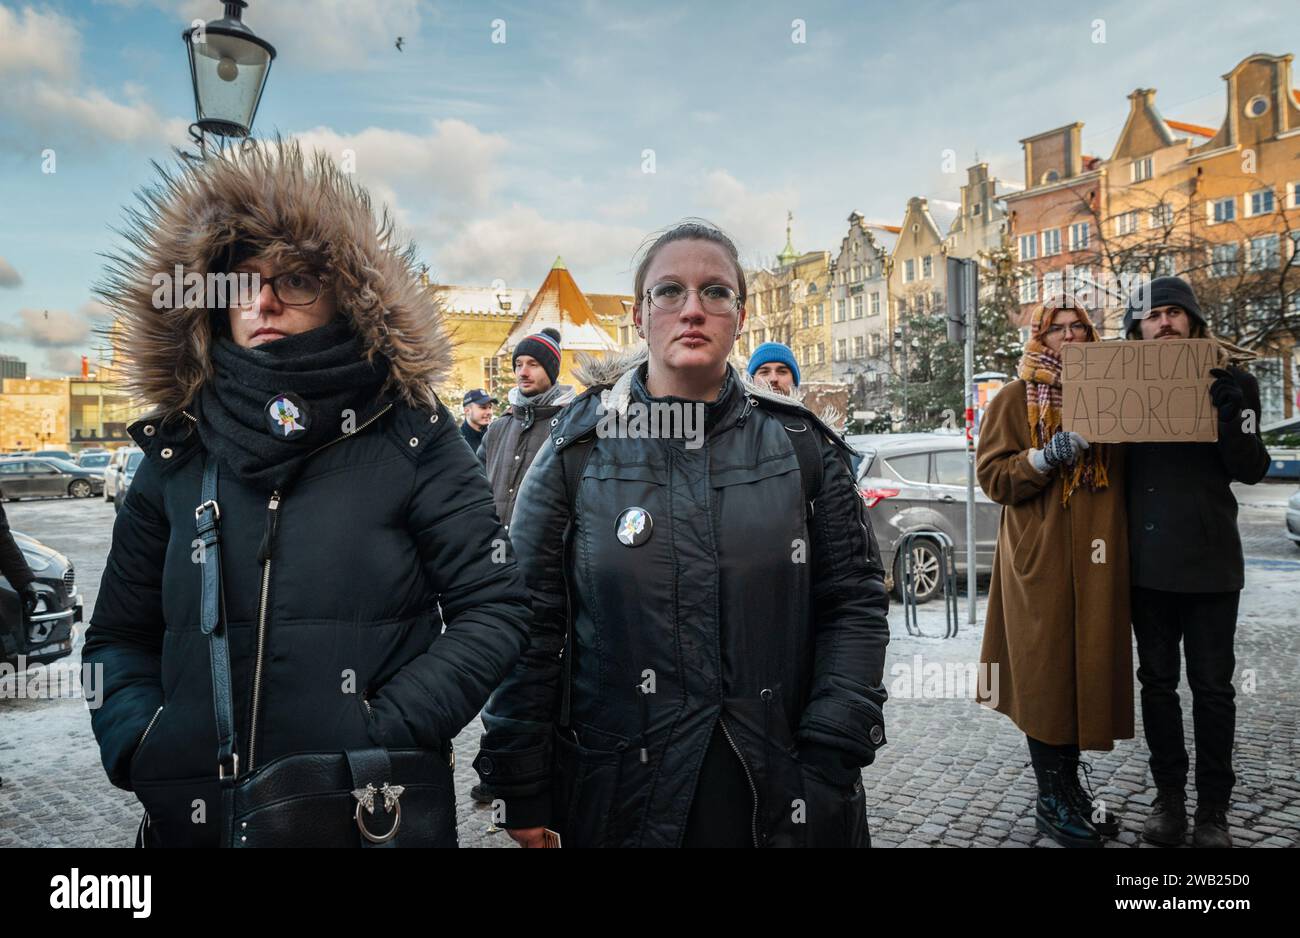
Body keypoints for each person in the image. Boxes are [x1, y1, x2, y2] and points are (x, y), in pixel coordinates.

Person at [83, 140, 531, 847]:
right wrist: (141, 738)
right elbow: (115, 636)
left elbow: (496, 606)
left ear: (343, 297)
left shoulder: (410, 435)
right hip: (196, 822)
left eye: (294, 280)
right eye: (240, 281)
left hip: (364, 817)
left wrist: (381, 729)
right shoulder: (177, 450)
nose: (261, 300)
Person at [472, 220, 890, 848]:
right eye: (669, 291)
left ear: (740, 318)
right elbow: (528, 623)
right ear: (639, 317)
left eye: (714, 292)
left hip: (782, 789)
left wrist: (834, 744)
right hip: (621, 793)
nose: (692, 309)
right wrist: (521, 780)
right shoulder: (577, 451)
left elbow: (853, 601)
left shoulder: (802, 446)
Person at [976, 295, 1133, 848]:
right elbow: (993, 478)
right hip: (1037, 562)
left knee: (1082, 675)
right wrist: (1049, 455)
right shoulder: (1017, 398)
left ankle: (1071, 791)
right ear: (1040, 338)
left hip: (1096, 563)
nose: (1069, 338)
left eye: (1079, 328)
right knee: (1045, 677)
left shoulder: (1114, 398)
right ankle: (1051, 798)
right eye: (1057, 329)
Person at [1122, 276, 1271, 849]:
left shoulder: (1237, 382)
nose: (1163, 323)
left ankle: (1213, 810)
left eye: (1172, 313)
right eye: (1151, 315)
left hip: (1211, 564)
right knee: (1156, 685)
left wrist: (1234, 419)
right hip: (1146, 565)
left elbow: (1252, 469)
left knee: (1213, 689)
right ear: (1136, 328)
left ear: (1191, 322)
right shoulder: (1123, 387)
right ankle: (1169, 801)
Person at [477, 328, 576, 534]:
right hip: (495, 549)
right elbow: (474, 487)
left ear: (551, 370)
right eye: (518, 364)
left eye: (533, 364)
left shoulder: (569, 426)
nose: (523, 372)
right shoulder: (498, 428)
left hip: (545, 554)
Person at [460, 388, 496, 454]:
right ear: (467, 411)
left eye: (490, 407)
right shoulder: (459, 441)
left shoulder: (495, 435)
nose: (489, 412)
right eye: (483, 407)